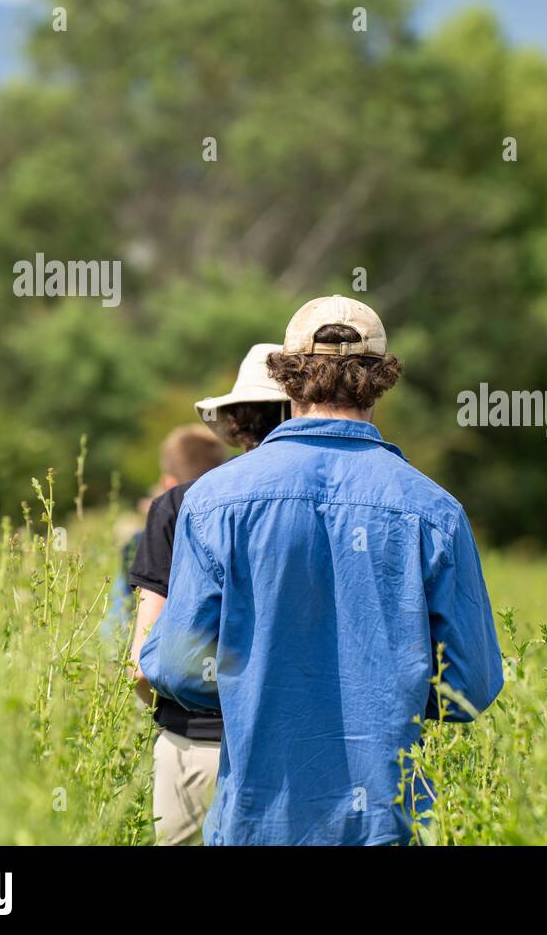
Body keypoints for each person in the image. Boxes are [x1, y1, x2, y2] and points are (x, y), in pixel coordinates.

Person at [140, 295, 503, 845]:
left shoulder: (215, 501)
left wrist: (260, 681)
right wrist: (389, 689)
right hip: (383, 823)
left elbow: (176, 666)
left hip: (256, 821)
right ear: (381, 380)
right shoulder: (434, 511)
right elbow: (471, 685)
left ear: (287, 379)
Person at [127, 344, 289, 845]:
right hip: (290, 754)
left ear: (235, 420)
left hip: (193, 740)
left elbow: (142, 661)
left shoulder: (179, 505)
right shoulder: (322, 506)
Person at [104, 426, 228, 647]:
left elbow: (116, 626)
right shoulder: (231, 531)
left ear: (167, 483)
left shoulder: (137, 544)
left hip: (159, 664)